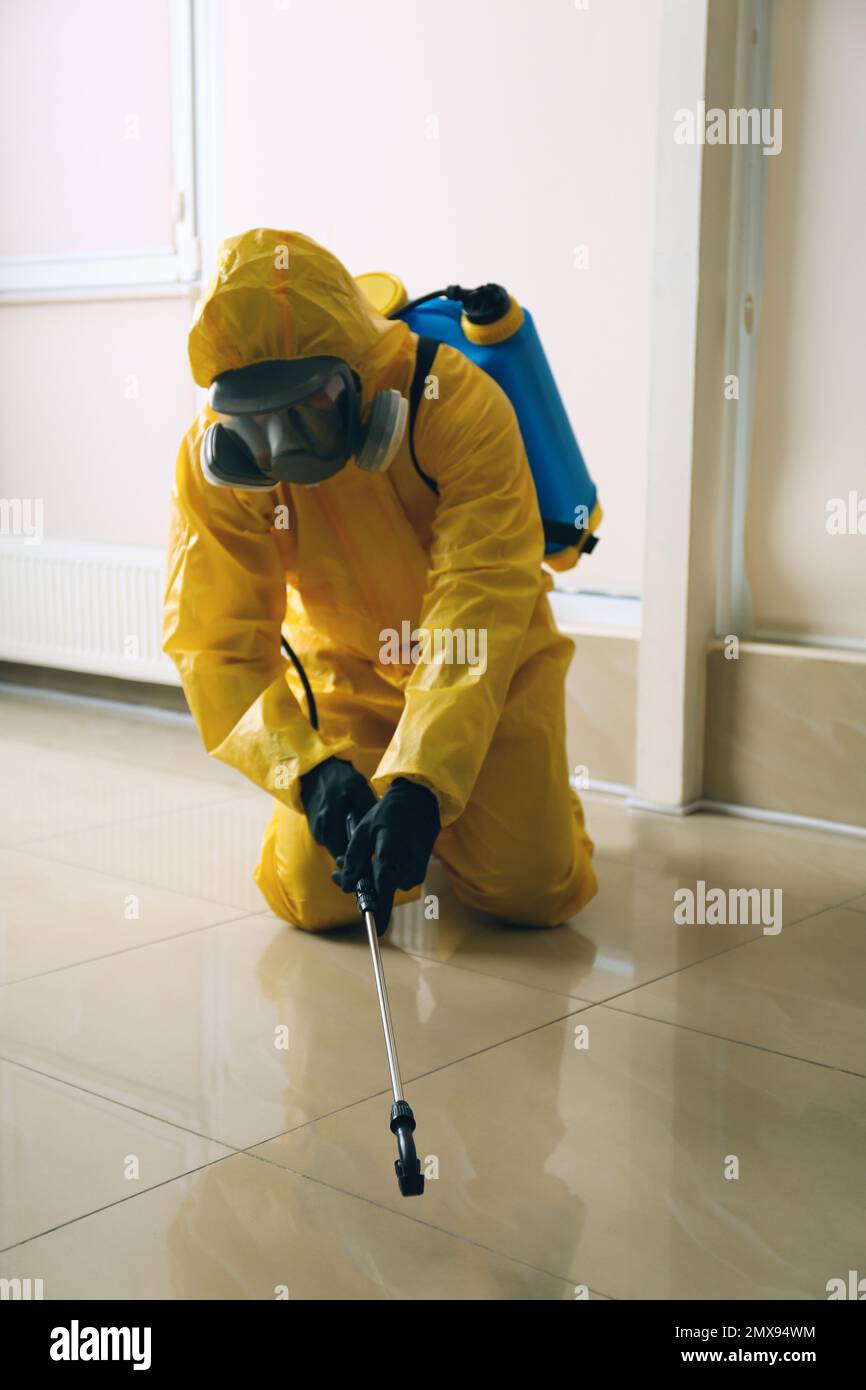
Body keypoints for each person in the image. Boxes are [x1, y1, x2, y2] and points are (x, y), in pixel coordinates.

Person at [163, 228, 597, 934]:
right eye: (257, 418)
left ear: (361, 374)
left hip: (492, 666)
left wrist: (421, 780)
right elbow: (213, 641)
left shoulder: (456, 404)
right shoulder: (215, 460)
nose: (281, 445)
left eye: (308, 406)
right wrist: (307, 770)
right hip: (347, 671)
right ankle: (417, 804)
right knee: (320, 895)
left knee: (529, 892)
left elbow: (479, 599)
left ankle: (505, 807)